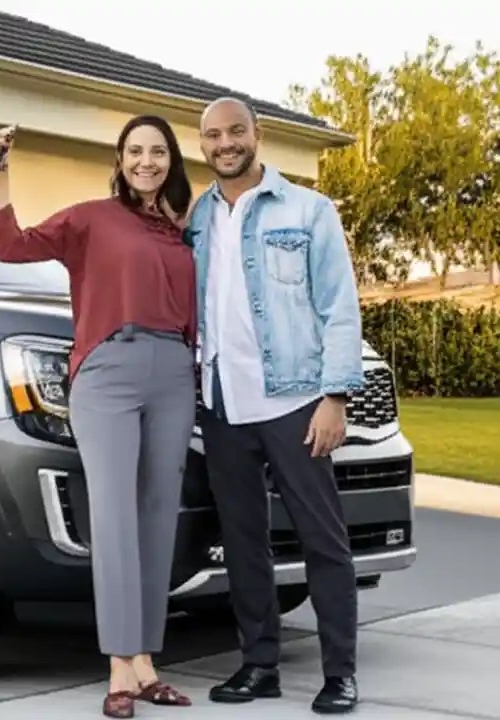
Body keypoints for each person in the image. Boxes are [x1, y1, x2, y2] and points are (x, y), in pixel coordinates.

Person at [0, 116, 197, 719]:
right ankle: (118, 671)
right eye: (135, 151)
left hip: (175, 373)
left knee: (158, 516)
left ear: (171, 160)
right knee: (114, 515)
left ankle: (148, 664)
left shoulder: (184, 230)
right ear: (121, 159)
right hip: (107, 371)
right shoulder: (90, 218)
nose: (146, 161)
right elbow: (11, 245)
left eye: (157, 152)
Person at [189, 96, 364, 715]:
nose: (225, 143)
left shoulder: (308, 210)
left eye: (236, 131)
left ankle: (340, 673)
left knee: (323, 540)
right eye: (213, 135)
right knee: (243, 544)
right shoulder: (197, 217)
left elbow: (340, 309)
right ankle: (259, 665)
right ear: (203, 143)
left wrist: (335, 397)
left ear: (257, 135)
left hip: (294, 401)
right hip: (223, 403)